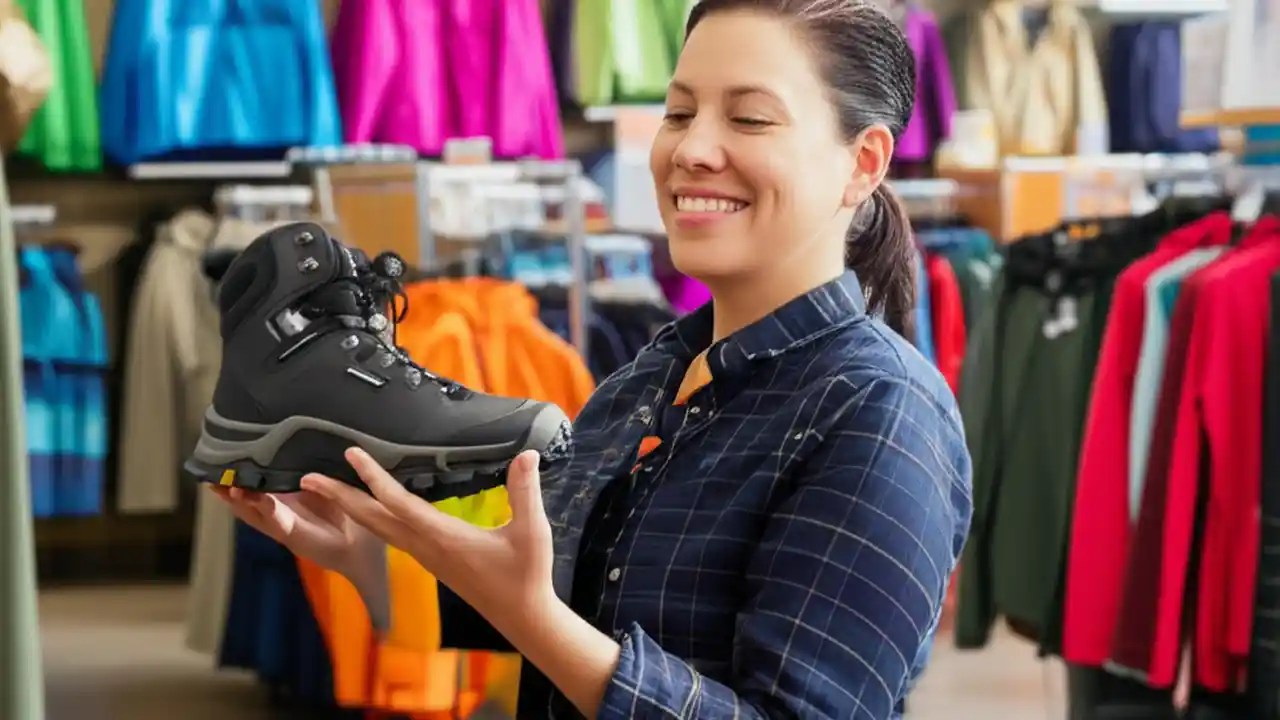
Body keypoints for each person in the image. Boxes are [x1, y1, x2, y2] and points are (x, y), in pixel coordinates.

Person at [213, 1, 973, 717]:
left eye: (748, 118)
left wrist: (535, 617)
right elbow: (558, 613)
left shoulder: (880, 414)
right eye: (678, 113)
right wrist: (363, 559)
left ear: (864, 162)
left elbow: (554, 626)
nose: (691, 149)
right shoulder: (647, 381)